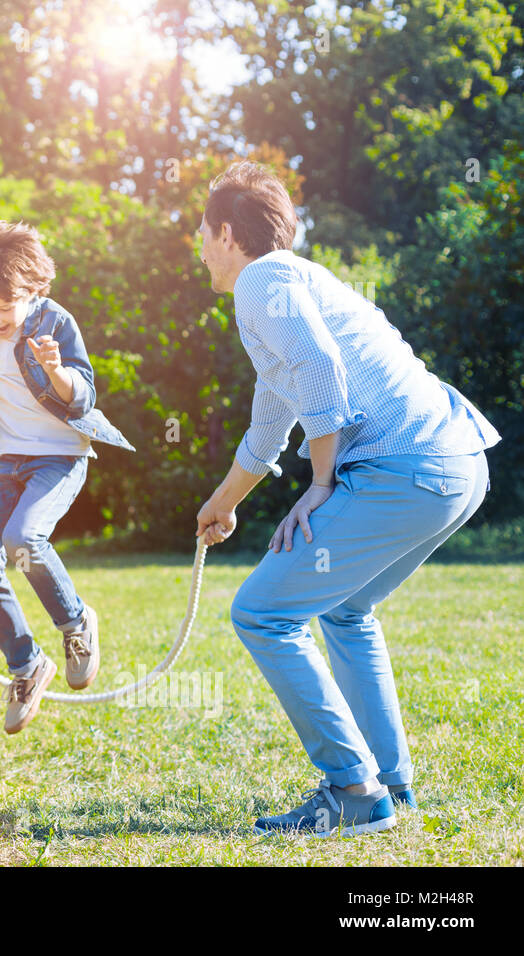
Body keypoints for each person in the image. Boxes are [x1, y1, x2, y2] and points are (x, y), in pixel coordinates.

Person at [194, 162, 500, 836]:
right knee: (345, 609)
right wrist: (224, 501)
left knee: (262, 613)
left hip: (406, 468)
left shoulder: (261, 280)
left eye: (202, 235)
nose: (200, 251)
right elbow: (272, 417)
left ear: (226, 233)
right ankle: (390, 783)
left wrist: (323, 484)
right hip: (456, 466)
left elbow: (321, 370)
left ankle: (354, 790)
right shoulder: (295, 282)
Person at [0, 221, 136, 734]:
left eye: (4, 308)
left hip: (58, 455)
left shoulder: (56, 322)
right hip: (3, 459)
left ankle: (76, 622)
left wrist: (55, 369)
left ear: (35, 289)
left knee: (24, 538)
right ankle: (25, 663)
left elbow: (80, 396)